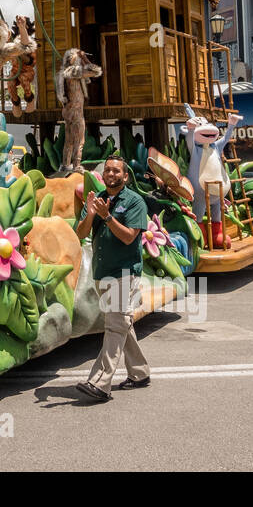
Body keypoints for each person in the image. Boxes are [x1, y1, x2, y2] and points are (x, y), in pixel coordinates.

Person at [74, 155, 151, 403]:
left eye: (116, 171)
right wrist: (91, 213)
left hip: (125, 272)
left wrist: (107, 217)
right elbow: (81, 233)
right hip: (102, 271)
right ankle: (139, 373)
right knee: (121, 323)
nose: (111, 174)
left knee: (114, 324)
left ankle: (100, 383)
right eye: (107, 170)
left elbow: (129, 237)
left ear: (125, 176)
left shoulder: (134, 201)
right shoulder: (97, 198)